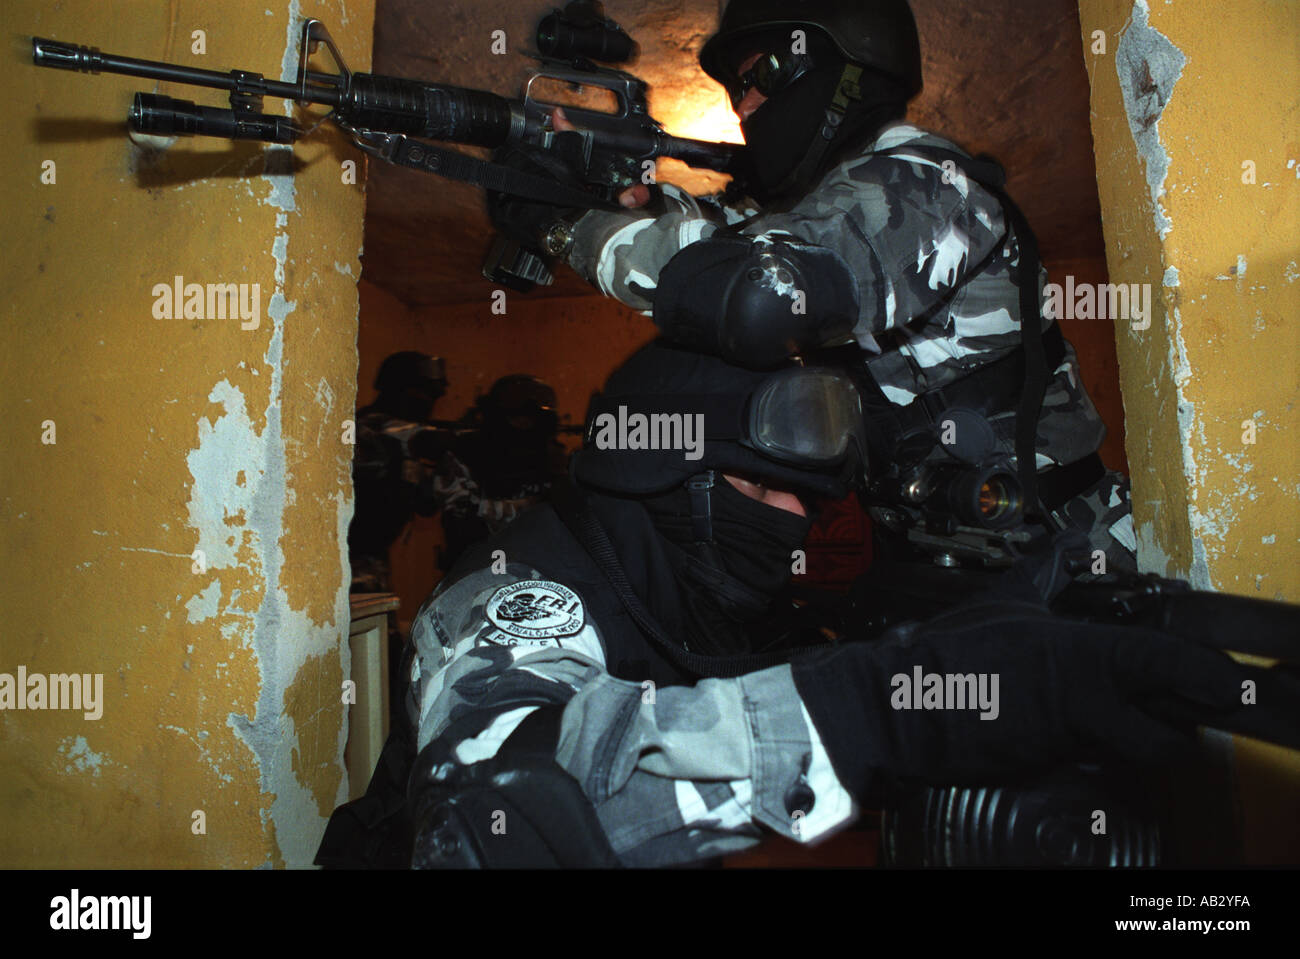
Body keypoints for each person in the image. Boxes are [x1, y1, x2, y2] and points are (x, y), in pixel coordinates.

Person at [392, 341, 1247, 868]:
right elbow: (493, 818)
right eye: (763, 483)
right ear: (660, 468)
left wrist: (973, 641)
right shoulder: (512, 594)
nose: (796, 520)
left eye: (808, 495)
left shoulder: (685, 585)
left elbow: (758, 685)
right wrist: (882, 706)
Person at [491, 0, 1135, 572]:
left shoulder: (926, 183)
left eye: (763, 76)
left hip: (1061, 548)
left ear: (850, 68)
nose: (742, 106)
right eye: (736, 87)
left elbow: (759, 291)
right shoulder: (821, 207)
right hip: (936, 548)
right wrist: (599, 191)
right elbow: (722, 238)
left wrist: (569, 228)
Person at [348, 351, 472, 593]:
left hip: (372, 560)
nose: (427, 404)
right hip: (343, 556)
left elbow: (426, 505)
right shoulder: (366, 427)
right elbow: (422, 438)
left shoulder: (405, 448)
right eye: (420, 393)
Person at [438, 375, 569, 573]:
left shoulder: (556, 461)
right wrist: (532, 505)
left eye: (530, 419)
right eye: (517, 417)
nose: (524, 427)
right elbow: (463, 516)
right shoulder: (468, 455)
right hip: (477, 570)